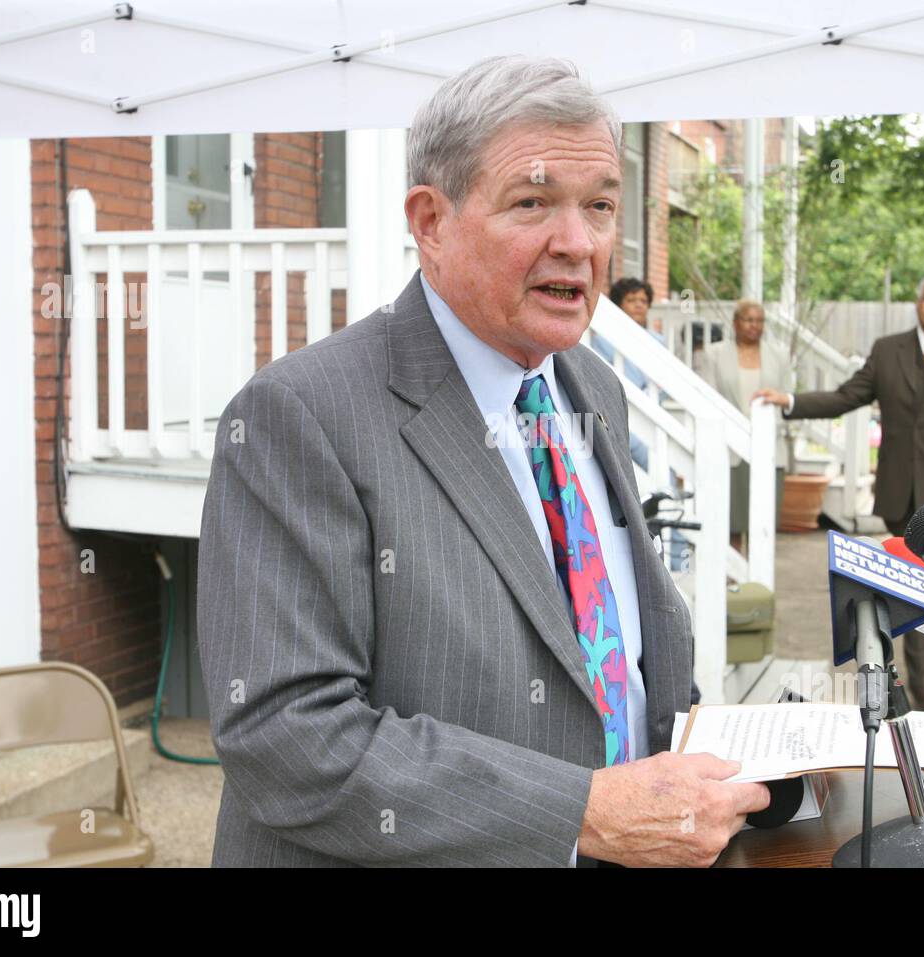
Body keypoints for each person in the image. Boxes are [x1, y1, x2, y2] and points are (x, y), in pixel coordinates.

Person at [197, 54, 768, 868]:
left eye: (600, 206)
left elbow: (612, 650)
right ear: (431, 220)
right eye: (533, 203)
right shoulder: (300, 415)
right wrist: (582, 814)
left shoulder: (589, 383)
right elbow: (286, 736)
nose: (577, 243)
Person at [756, 271, 924, 712]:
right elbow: (846, 396)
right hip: (902, 502)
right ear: (917, 302)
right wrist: (789, 402)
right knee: (921, 595)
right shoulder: (888, 351)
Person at [695, 300, 790, 548]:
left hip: (769, 446)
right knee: (732, 518)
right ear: (735, 323)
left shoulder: (778, 355)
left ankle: (758, 579)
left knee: (764, 519)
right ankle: (733, 578)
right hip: (731, 447)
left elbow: (785, 397)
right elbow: (709, 397)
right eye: (749, 320)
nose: (754, 326)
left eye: (759, 321)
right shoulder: (714, 353)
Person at [591, 277, 660, 469]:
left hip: (653, 413)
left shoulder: (658, 341)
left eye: (643, 301)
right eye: (631, 300)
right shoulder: (603, 341)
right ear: (619, 304)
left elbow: (663, 386)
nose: (638, 305)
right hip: (622, 412)